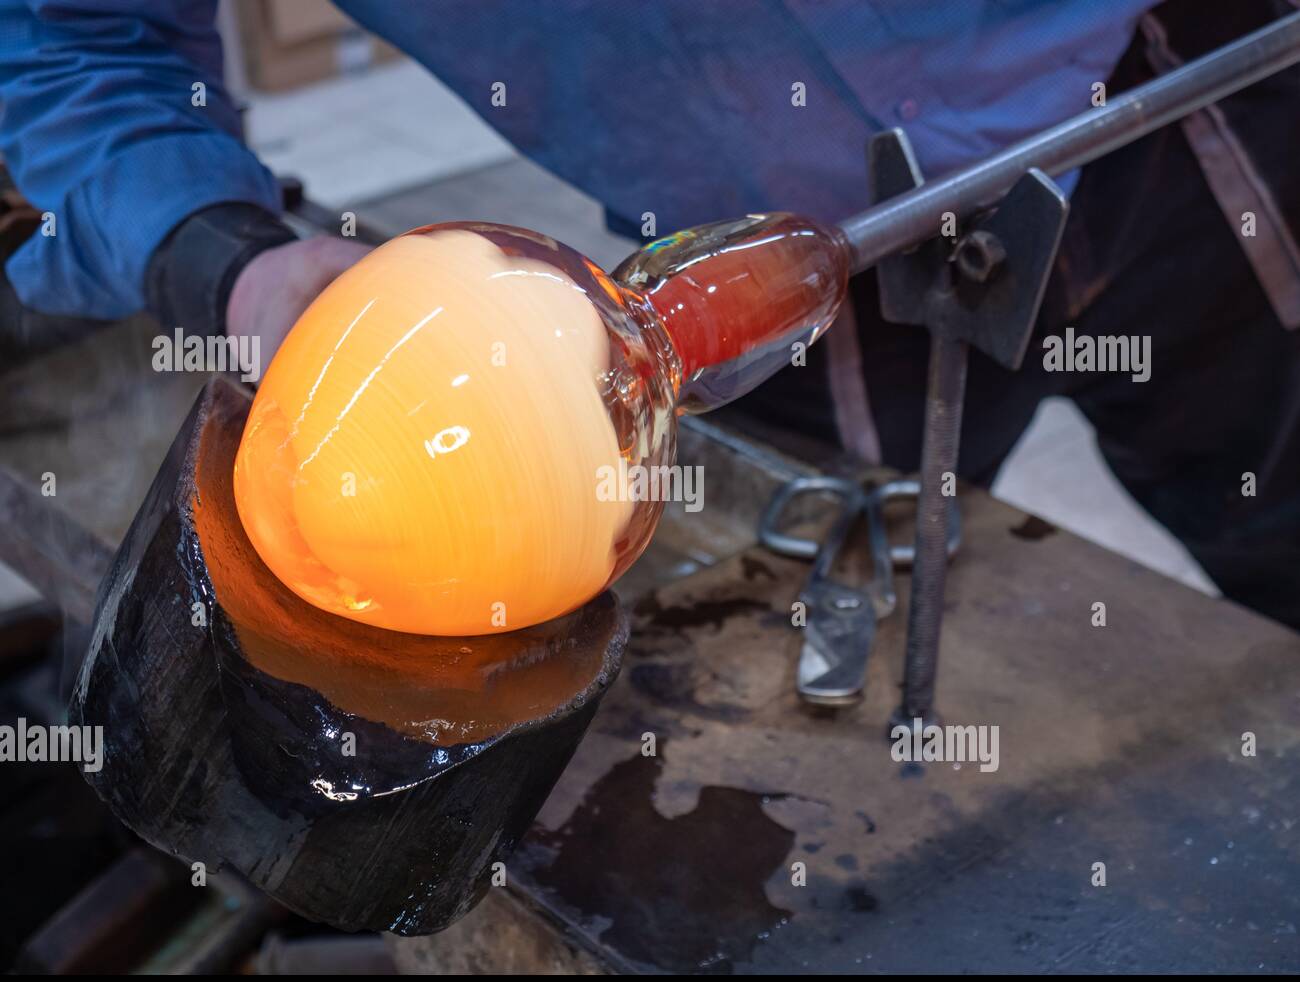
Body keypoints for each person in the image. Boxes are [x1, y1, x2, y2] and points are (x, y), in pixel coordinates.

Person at [1, 1, 1298, 628]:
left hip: (1173, 84)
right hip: (752, 256)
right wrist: (228, 260)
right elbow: (61, 36)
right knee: (813, 680)